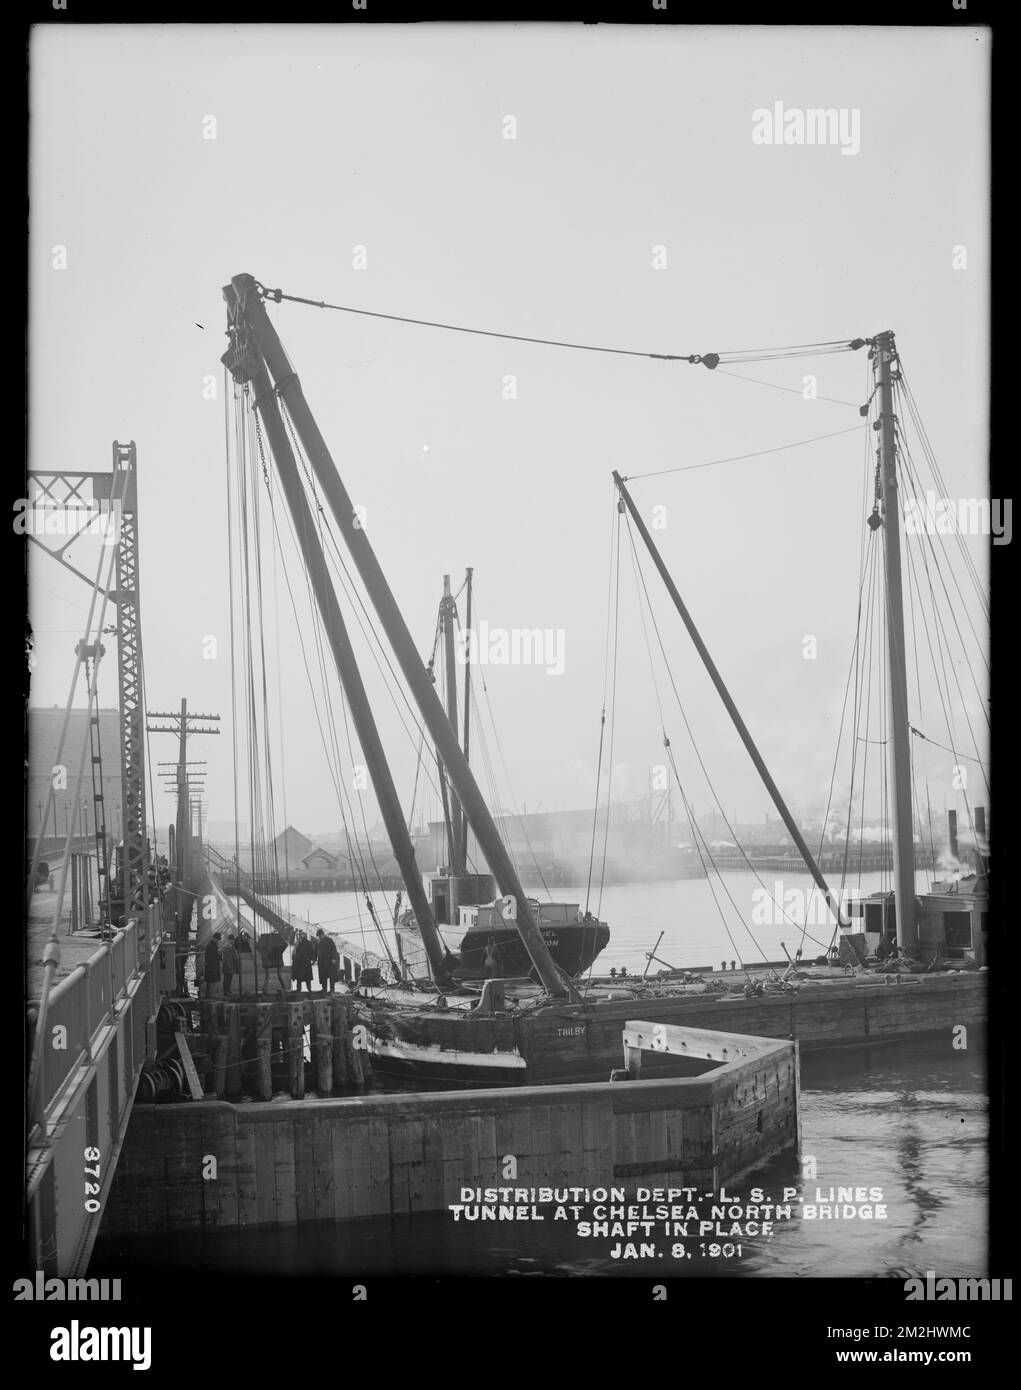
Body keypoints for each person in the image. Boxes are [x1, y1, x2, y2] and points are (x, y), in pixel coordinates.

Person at [315, 928, 339, 994]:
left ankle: (332, 990)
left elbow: (334, 950)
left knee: (331, 976)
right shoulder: (318, 941)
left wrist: (334, 958)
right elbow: (315, 951)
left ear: (323, 934)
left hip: (329, 961)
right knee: (323, 976)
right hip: (321, 962)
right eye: (318, 936)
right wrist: (313, 959)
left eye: (320, 935)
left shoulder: (329, 940)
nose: (319, 937)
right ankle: (324, 989)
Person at [203, 932, 222, 999]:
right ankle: (211, 996)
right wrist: (219, 955)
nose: (218, 941)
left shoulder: (210, 945)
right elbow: (210, 957)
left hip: (210, 967)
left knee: (210, 982)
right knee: (211, 982)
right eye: (218, 939)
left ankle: (209, 996)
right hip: (212, 967)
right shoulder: (212, 946)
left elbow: (207, 957)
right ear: (216, 938)